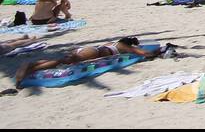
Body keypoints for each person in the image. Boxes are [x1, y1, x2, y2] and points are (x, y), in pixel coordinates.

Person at [15, 36, 157, 86]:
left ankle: (33, 64)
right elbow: (143, 53)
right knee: (61, 62)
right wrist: (155, 52)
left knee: (63, 60)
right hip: (93, 53)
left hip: (88, 49)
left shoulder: (112, 43)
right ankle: (31, 68)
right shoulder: (125, 47)